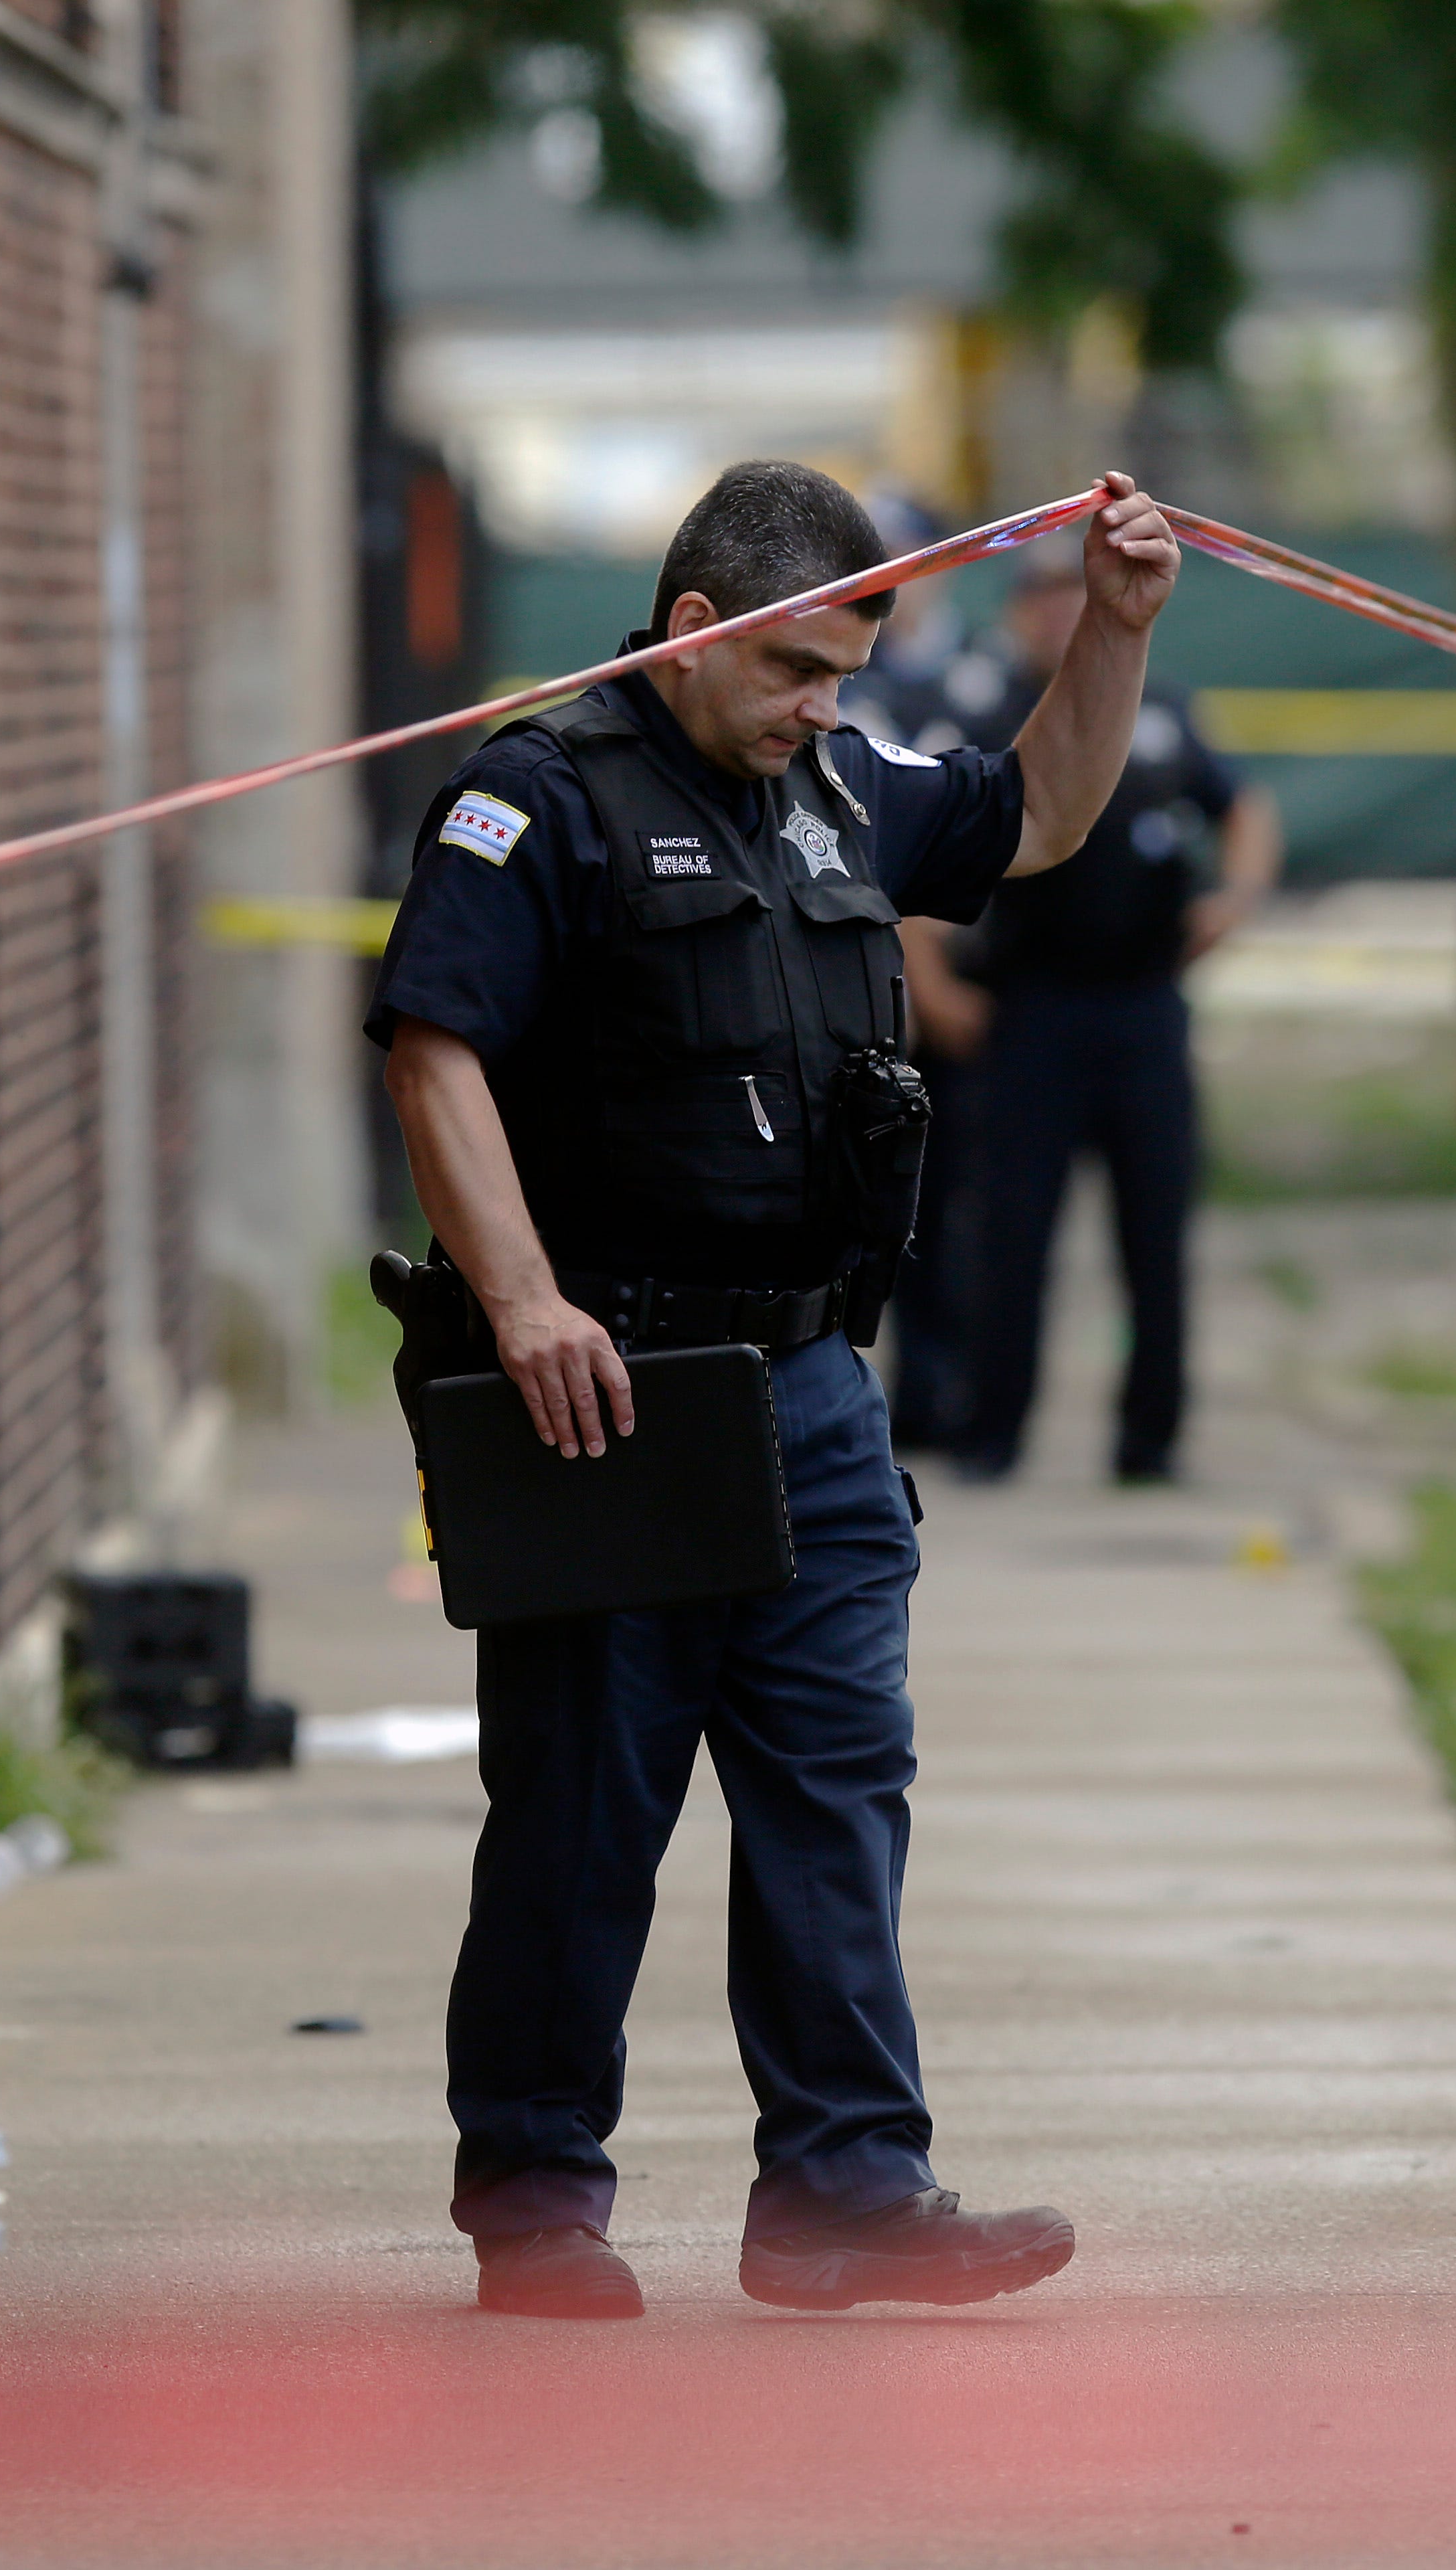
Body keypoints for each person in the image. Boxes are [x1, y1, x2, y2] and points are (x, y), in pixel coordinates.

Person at [365, 461, 1185, 2318]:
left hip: (812, 1386)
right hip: (612, 1392)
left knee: (837, 1793)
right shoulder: (537, 796)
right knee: (586, 1811)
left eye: (851, 673)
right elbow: (435, 1056)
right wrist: (522, 1303)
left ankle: (845, 2191)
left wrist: (1118, 624)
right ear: (693, 631)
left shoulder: (836, 789)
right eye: (804, 668)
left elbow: (1042, 816)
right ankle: (538, 2204)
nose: (832, 705)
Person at [894, 548, 1282, 1485]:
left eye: (1073, 593)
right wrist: (933, 986)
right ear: (1019, 612)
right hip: (1029, 1011)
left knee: (1154, 1234)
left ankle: (1150, 1440)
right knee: (1010, 1237)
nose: (1060, 613)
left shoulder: (1164, 710)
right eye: (1043, 597)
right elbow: (909, 848)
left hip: (1144, 1008)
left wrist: (1235, 898)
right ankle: (995, 1432)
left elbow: (1245, 806)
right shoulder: (982, 713)